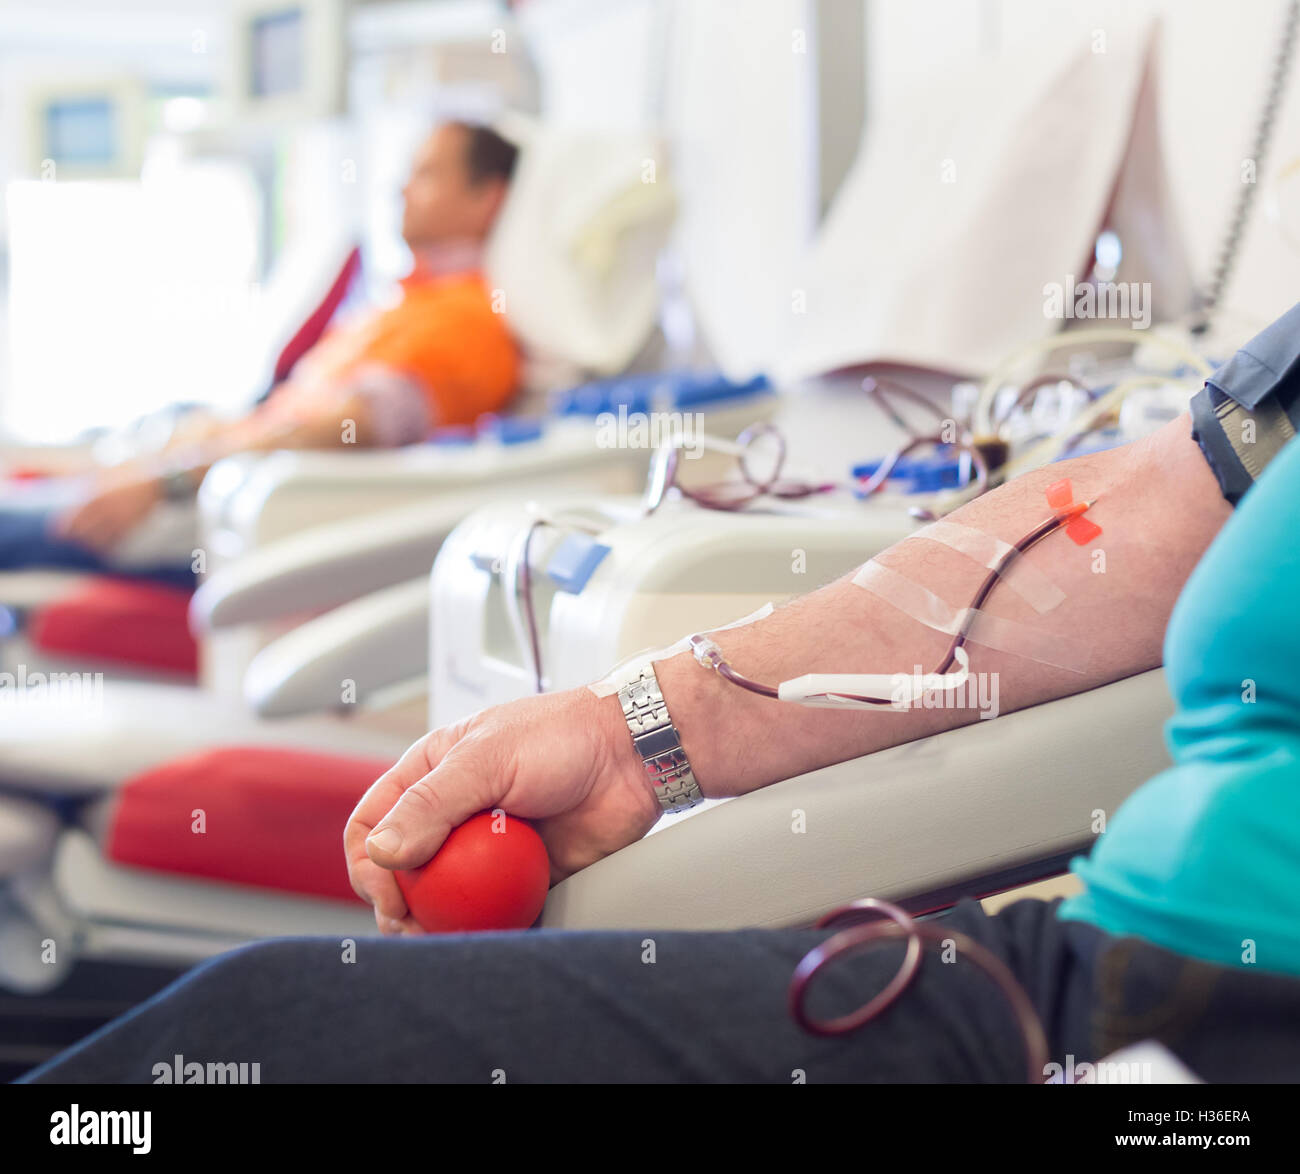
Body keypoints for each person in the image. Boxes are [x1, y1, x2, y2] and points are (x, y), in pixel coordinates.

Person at [18, 306, 1300, 1084]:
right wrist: (635, 735)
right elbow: (1146, 512)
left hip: (1204, 1027)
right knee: (264, 1025)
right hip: (1096, 961)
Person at [0, 122, 522, 578]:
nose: (401, 189)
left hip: (219, 510)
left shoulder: (466, 324)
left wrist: (166, 481)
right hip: (206, 477)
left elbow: (339, 430)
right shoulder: (405, 303)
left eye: (427, 175)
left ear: (486, 197)